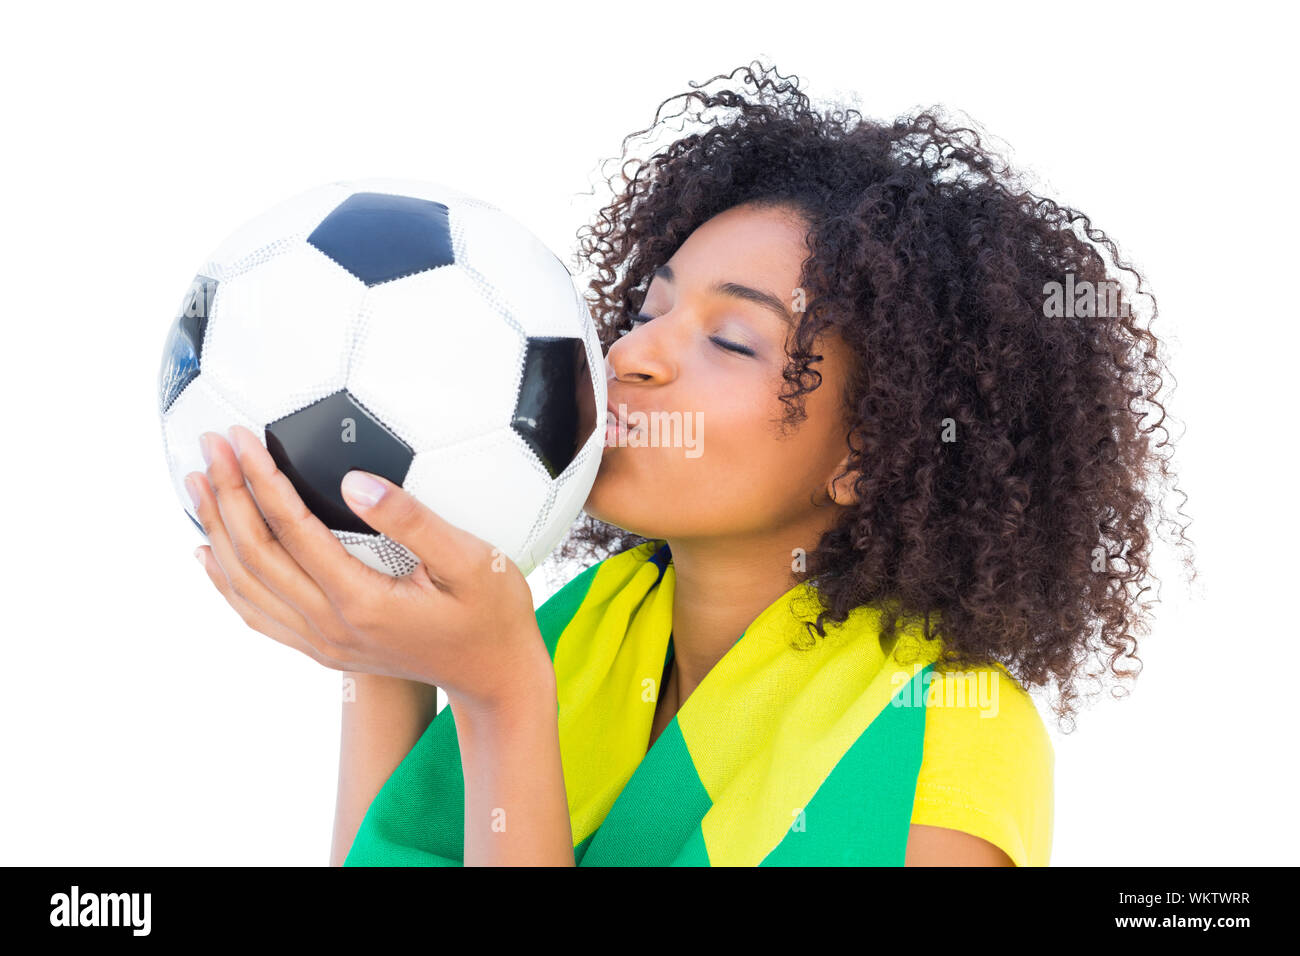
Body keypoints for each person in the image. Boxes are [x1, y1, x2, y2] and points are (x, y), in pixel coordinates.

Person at [187, 61, 1191, 866]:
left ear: (870, 451)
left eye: (732, 340)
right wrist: (383, 654)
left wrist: (499, 698)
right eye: (648, 308)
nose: (631, 354)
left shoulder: (951, 744)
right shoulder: (583, 624)